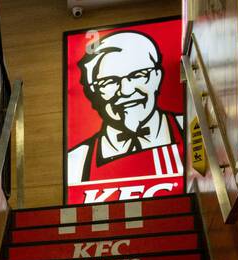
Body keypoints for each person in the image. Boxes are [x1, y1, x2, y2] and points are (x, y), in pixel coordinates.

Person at [67, 30, 185, 199]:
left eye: (138, 75)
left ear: (157, 77)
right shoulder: (76, 162)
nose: (126, 90)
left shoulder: (189, 131)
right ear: (94, 91)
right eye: (109, 81)